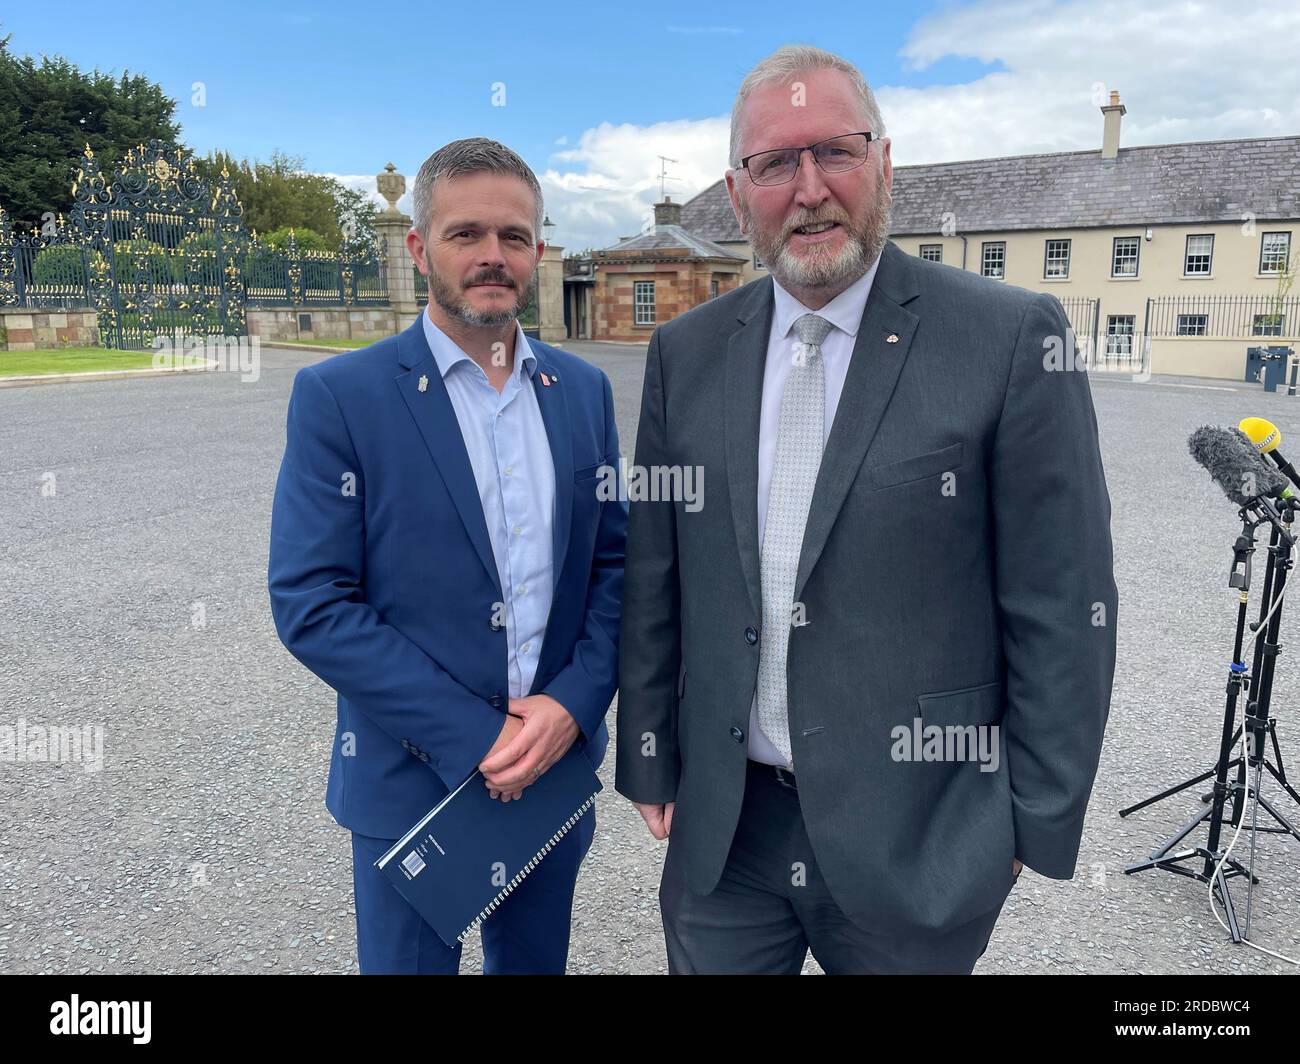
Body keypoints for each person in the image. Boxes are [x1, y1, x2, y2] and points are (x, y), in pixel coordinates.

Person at [615, 45, 1118, 974]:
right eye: (775, 164)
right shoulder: (685, 355)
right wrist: (647, 754)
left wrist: (1028, 823)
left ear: (885, 164)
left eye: (835, 152)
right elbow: (656, 575)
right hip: (728, 833)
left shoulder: (1006, 338)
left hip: (921, 834)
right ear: (738, 195)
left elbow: (1062, 604)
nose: (809, 189)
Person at [269, 137, 626, 974]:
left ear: (539, 249)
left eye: (515, 235)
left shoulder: (582, 391)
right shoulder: (341, 397)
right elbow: (312, 601)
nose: (493, 256)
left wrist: (569, 707)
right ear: (420, 248)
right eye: (467, 234)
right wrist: (478, 738)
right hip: (410, 785)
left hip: (552, 771)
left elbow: (616, 569)